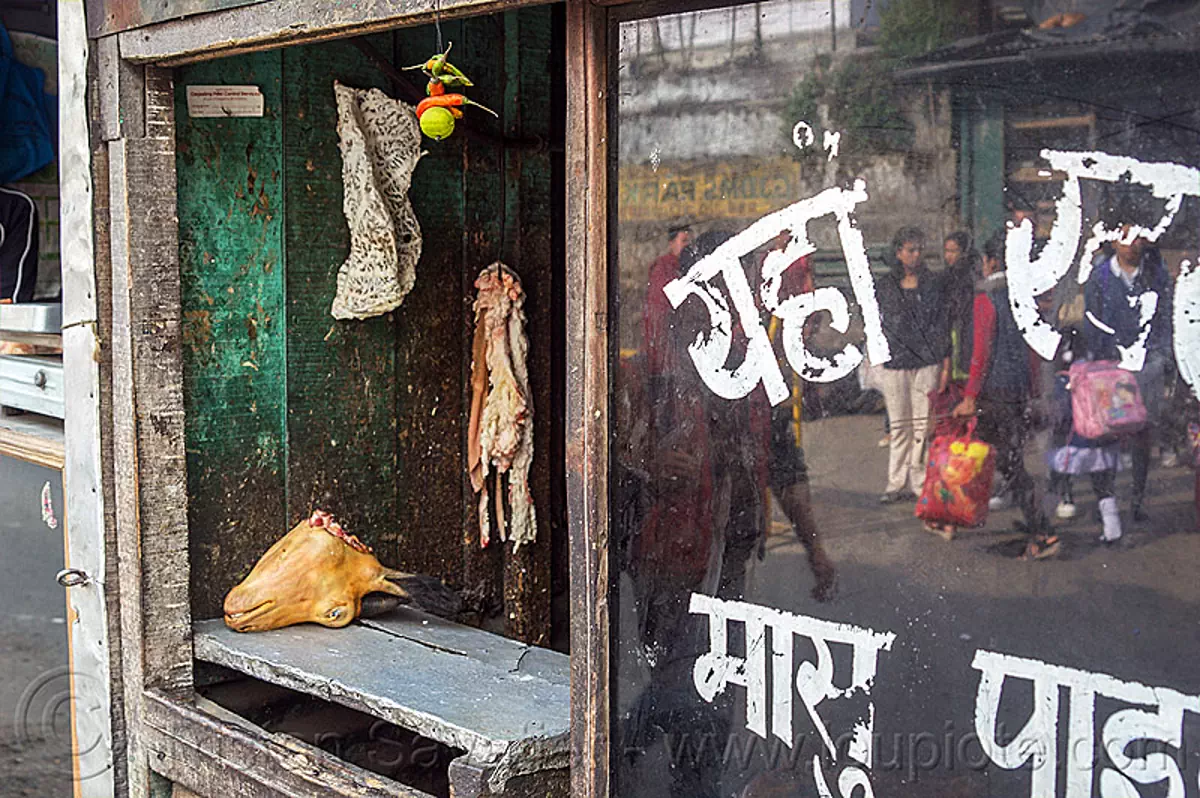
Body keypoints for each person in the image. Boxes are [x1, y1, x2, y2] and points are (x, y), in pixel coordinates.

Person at [953, 231, 1059, 559]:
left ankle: (1042, 530)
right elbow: (1033, 351)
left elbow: (980, 353)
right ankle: (1034, 524)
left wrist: (969, 396)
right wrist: (1035, 392)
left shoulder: (987, 299)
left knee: (1004, 462)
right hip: (1016, 393)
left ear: (991, 261)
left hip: (992, 394)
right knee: (1006, 459)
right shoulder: (1022, 298)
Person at [1083, 213, 1174, 523]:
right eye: (1124, 236)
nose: (1130, 243)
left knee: (1142, 435)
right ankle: (1107, 502)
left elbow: (1165, 319)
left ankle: (1137, 498)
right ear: (1113, 240)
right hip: (1111, 367)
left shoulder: (1157, 274)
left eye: (1136, 237)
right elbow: (1092, 322)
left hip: (1147, 365)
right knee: (1106, 433)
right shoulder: (1100, 277)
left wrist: (1161, 357)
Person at [876, 226, 948, 503]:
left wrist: (943, 361)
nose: (915, 255)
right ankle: (895, 482)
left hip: (926, 362)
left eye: (919, 249)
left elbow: (942, 324)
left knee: (921, 424)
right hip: (896, 363)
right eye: (910, 250)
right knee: (899, 424)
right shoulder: (885, 286)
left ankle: (920, 482)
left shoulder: (933, 283)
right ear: (899, 253)